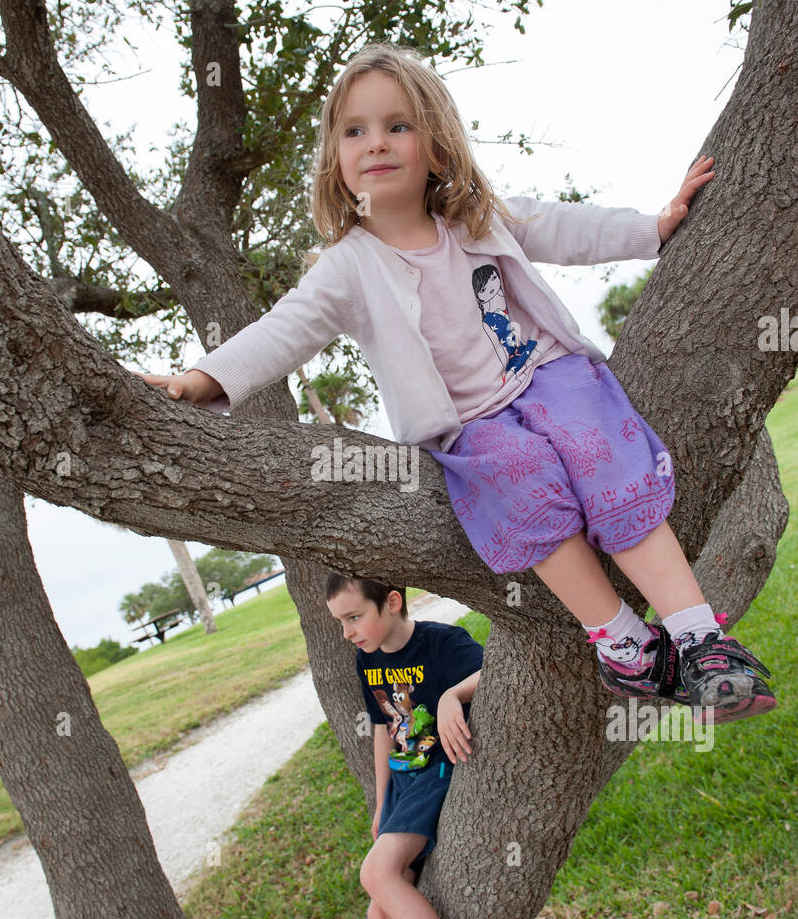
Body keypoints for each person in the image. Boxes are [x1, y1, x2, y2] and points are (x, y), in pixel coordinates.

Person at [142, 41, 775, 725]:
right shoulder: (345, 267)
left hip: (545, 372)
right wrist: (202, 379)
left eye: (397, 126)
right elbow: (282, 330)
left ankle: (698, 638)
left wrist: (651, 227)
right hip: (472, 422)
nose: (375, 143)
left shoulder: (476, 218)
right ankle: (623, 645)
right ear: (334, 159)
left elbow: (563, 226)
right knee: (517, 479)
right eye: (354, 131)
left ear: (436, 148)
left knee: (599, 448)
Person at [325, 572, 508, 919]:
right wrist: (381, 803)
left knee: (376, 876)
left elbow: (496, 672)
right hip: (405, 782)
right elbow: (385, 727)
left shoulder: (442, 643)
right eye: (339, 622)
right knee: (383, 918)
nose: (347, 632)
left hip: (437, 776)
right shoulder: (368, 659)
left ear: (392, 602)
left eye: (354, 617)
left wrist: (453, 693)